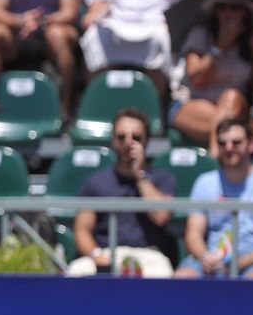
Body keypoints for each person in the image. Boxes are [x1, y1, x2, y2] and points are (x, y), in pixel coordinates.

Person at [70, 108, 176, 277]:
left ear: (147, 141)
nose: (128, 142)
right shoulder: (95, 181)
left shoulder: (163, 178)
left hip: (148, 255)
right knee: (77, 271)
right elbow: (82, 230)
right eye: (121, 137)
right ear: (113, 140)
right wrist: (96, 255)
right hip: (106, 253)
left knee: (161, 274)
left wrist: (140, 175)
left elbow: (161, 216)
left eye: (136, 137)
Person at [175, 117, 253, 279]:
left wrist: (241, 262)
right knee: (181, 278)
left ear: (251, 144)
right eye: (222, 143)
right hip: (212, 259)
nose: (229, 148)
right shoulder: (204, 182)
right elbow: (193, 233)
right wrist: (205, 257)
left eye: (236, 142)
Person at [171, 0, 253, 156]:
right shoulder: (200, 35)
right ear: (215, 11)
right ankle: (220, 165)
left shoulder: (252, 42)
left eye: (235, 8)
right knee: (231, 125)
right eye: (222, 7)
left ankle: (218, 164)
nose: (228, 13)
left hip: (235, 108)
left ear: (245, 13)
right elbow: (197, 79)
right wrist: (220, 47)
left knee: (230, 99)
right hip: (192, 104)